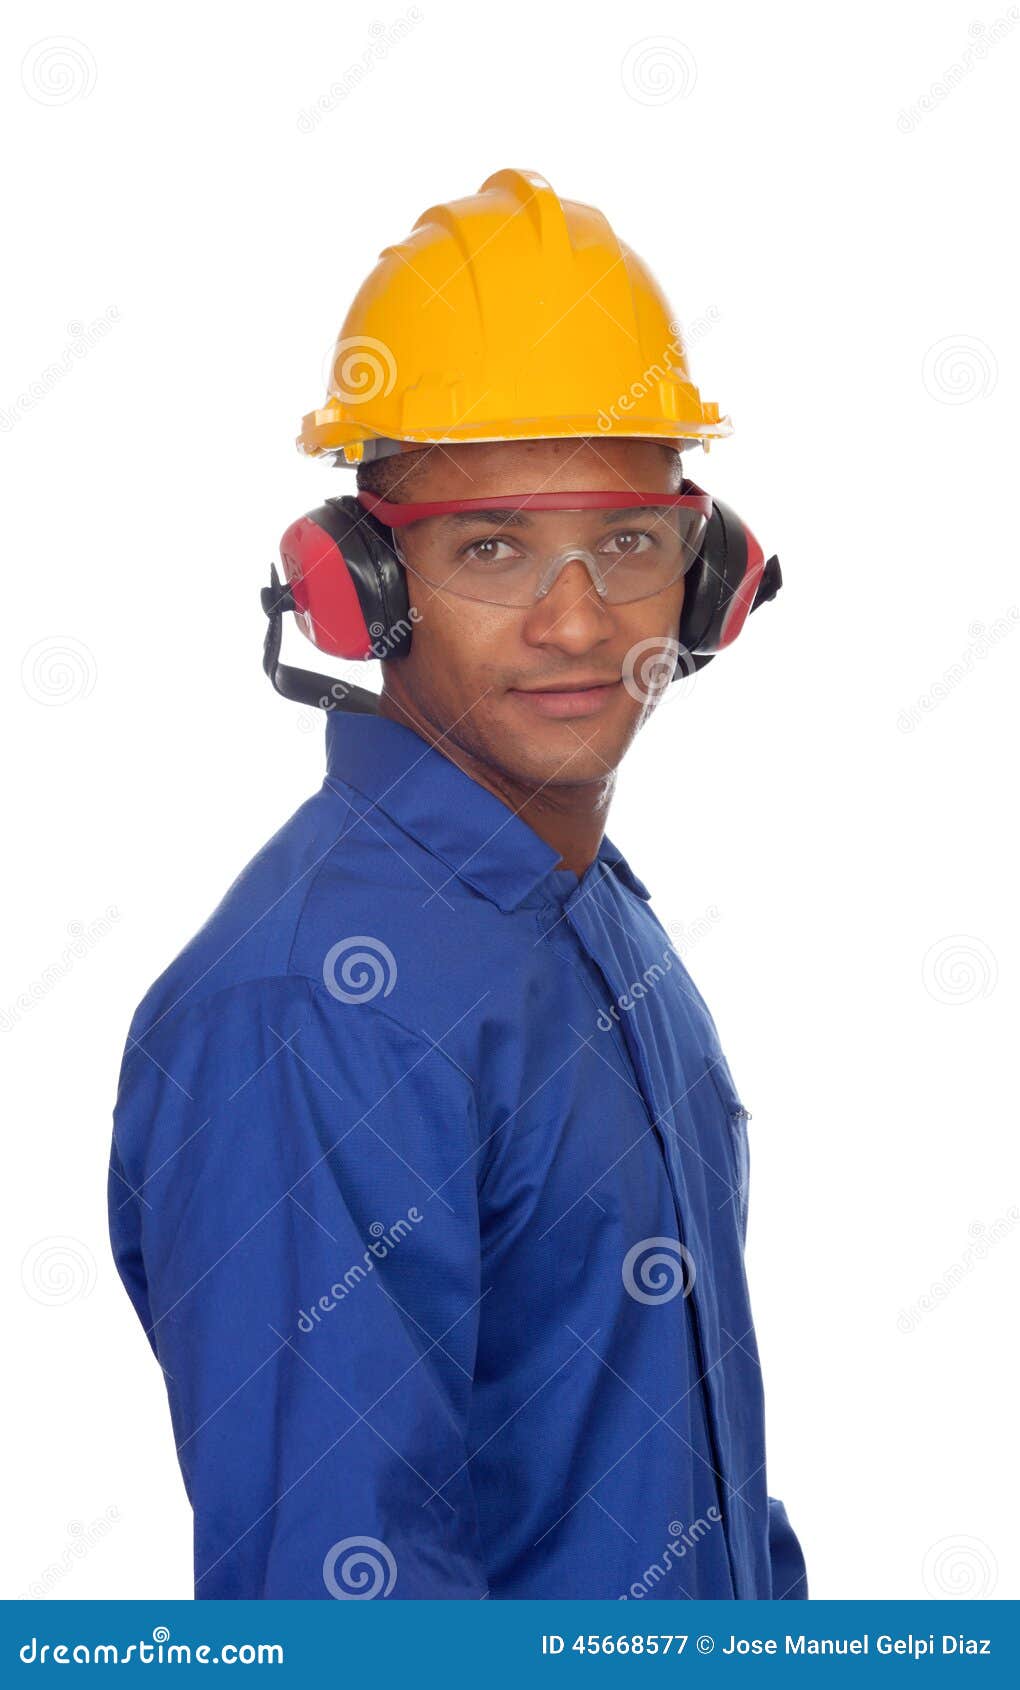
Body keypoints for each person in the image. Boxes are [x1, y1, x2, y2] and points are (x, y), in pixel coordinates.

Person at [108, 167, 807, 1601]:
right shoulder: (311, 1013)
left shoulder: (599, 922)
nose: (575, 617)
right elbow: (339, 1614)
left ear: (707, 574)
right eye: (493, 546)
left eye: (625, 541)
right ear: (362, 587)